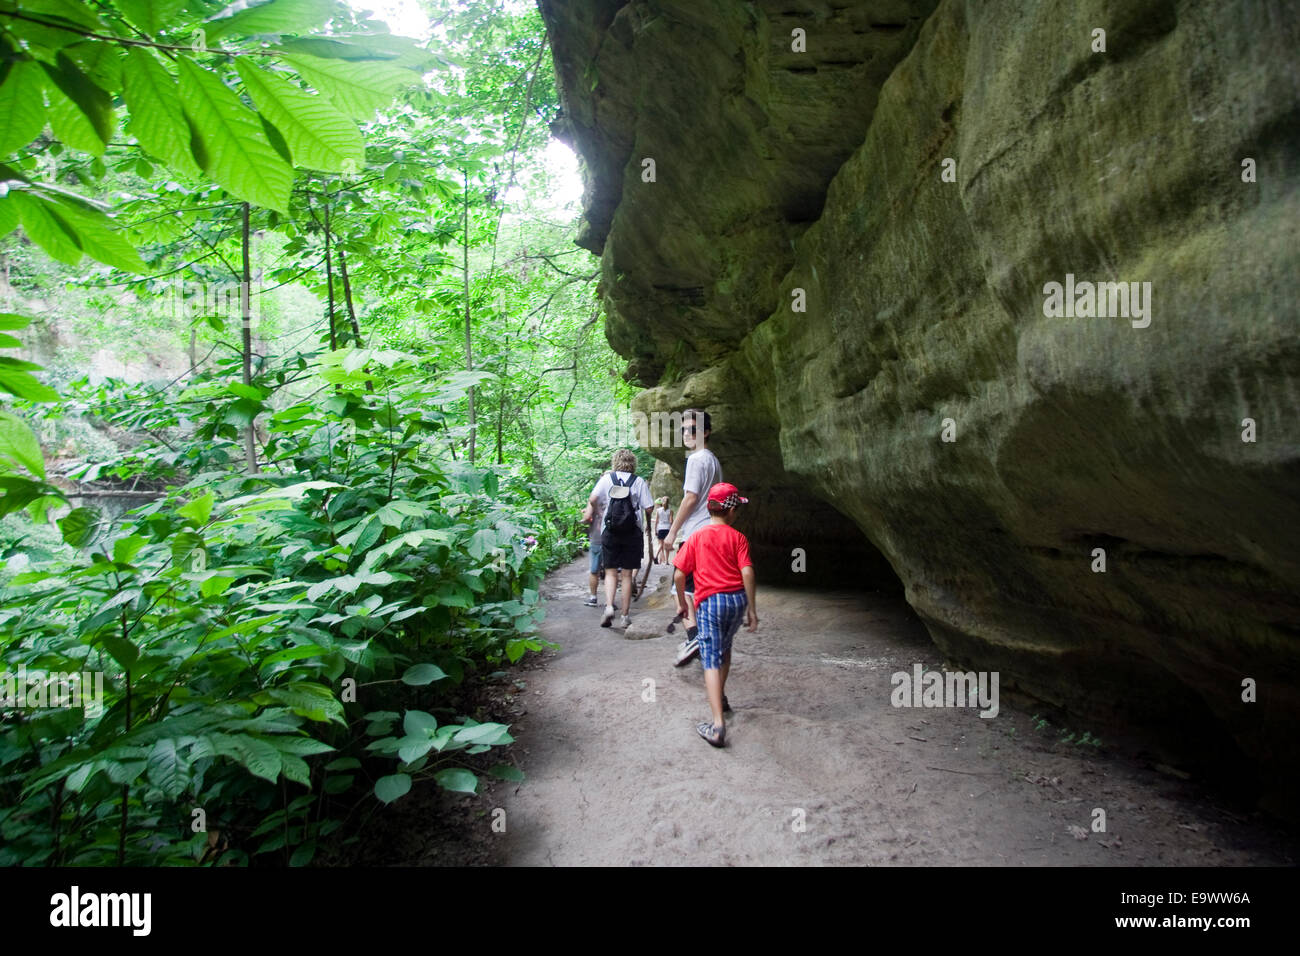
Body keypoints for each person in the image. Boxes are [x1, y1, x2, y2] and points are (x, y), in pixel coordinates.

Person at [673, 482, 758, 747]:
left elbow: (679, 574)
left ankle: (718, 726)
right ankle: (720, 698)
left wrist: (681, 604)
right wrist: (752, 608)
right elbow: (746, 572)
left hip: (710, 602)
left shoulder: (697, 537)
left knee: (710, 658)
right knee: (726, 648)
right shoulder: (738, 538)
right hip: (736, 601)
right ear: (731, 511)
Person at [656, 409, 722, 664]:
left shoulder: (696, 459)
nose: (687, 433)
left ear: (706, 432)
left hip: (696, 532)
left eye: (693, 429)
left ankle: (694, 636)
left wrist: (672, 533)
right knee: (703, 589)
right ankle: (707, 642)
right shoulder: (714, 461)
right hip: (713, 531)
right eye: (683, 429)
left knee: (679, 587)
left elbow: (691, 497)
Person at [582, 449, 654, 628]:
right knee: (627, 574)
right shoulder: (638, 481)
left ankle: (608, 607)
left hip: (610, 531)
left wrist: (600, 510)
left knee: (610, 572)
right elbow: (650, 507)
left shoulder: (607, 479)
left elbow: (592, 499)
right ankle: (625, 615)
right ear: (633, 463)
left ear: (615, 462)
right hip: (632, 532)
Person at [582, 492, 605, 606]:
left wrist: (585, 517)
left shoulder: (595, 498)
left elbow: (587, 518)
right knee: (612, 571)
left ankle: (593, 598)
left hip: (597, 537)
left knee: (594, 570)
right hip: (613, 538)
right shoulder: (617, 495)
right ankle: (610, 601)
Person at [652, 496, 673, 563]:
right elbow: (671, 521)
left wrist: (655, 530)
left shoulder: (658, 510)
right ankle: (666, 561)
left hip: (660, 528)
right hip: (667, 529)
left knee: (661, 545)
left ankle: (655, 556)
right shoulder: (670, 511)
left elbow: (656, 521)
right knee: (666, 545)